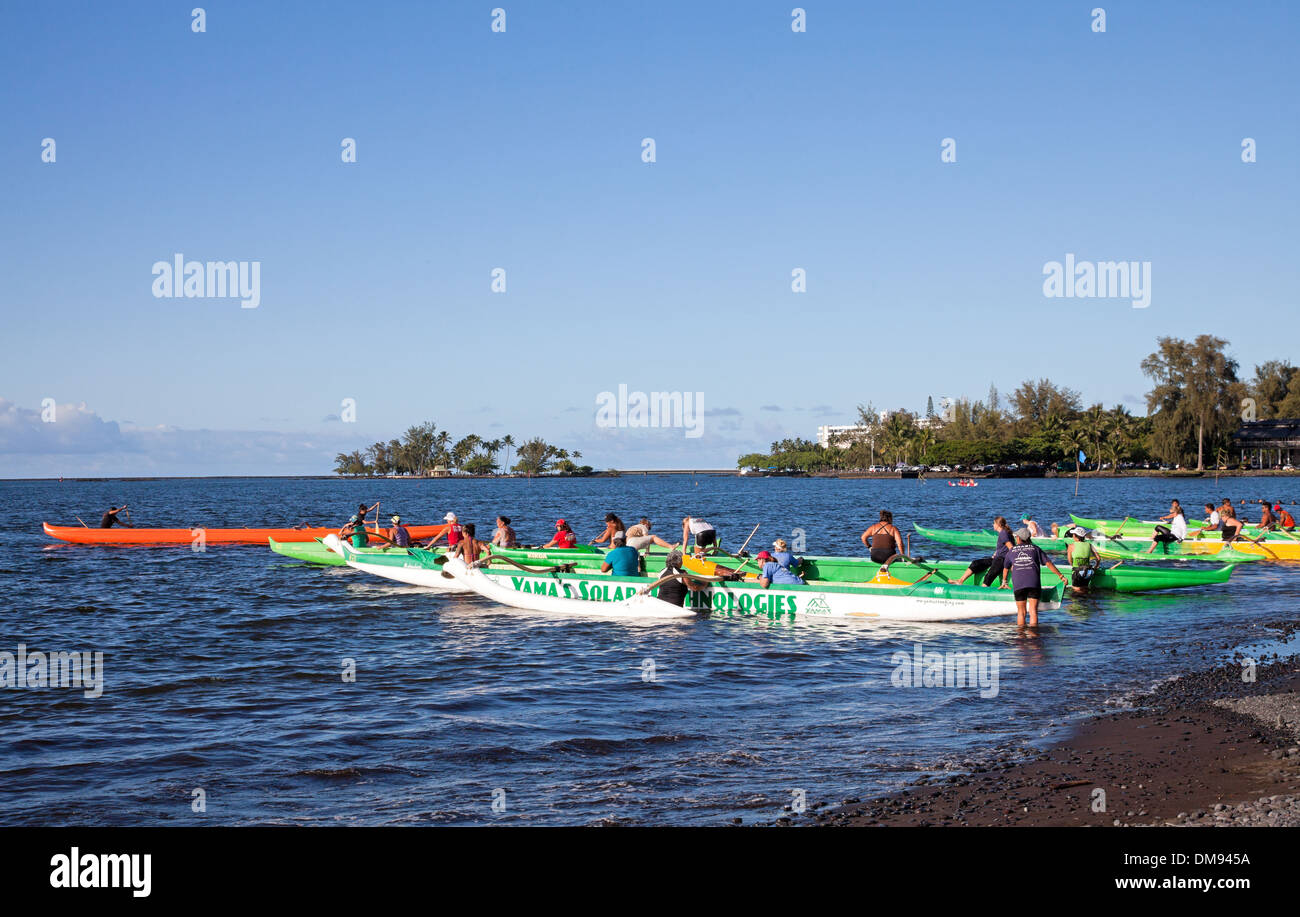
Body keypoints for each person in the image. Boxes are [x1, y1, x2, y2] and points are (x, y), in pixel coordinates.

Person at [1000, 528, 1067, 628]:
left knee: (1021, 612)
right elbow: (1048, 563)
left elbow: (1005, 568)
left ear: (1018, 538)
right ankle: (1034, 636)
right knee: (1033, 611)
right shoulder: (1035, 549)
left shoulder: (1012, 550)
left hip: (1019, 584)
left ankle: (1021, 637)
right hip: (1033, 583)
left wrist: (1004, 582)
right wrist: (1061, 576)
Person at [953, 516, 1012, 586]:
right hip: (997, 558)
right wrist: (995, 553)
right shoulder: (1003, 533)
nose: (993, 525)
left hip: (1002, 560)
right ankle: (960, 581)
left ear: (998, 524)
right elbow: (1002, 547)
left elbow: (1011, 547)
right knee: (975, 563)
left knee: (990, 575)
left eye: (994, 523)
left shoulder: (1003, 533)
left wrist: (1012, 562)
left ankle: (983, 588)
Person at [1065, 526, 1099, 594]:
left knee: (1076, 591)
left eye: (1073, 534)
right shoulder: (1089, 545)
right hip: (1088, 572)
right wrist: (1095, 567)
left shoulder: (1071, 546)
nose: (1072, 536)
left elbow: (1069, 560)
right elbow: (1098, 558)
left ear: (1076, 536)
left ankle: (1078, 604)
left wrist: (1073, 566)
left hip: (1077, 571)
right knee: (1085, 590)